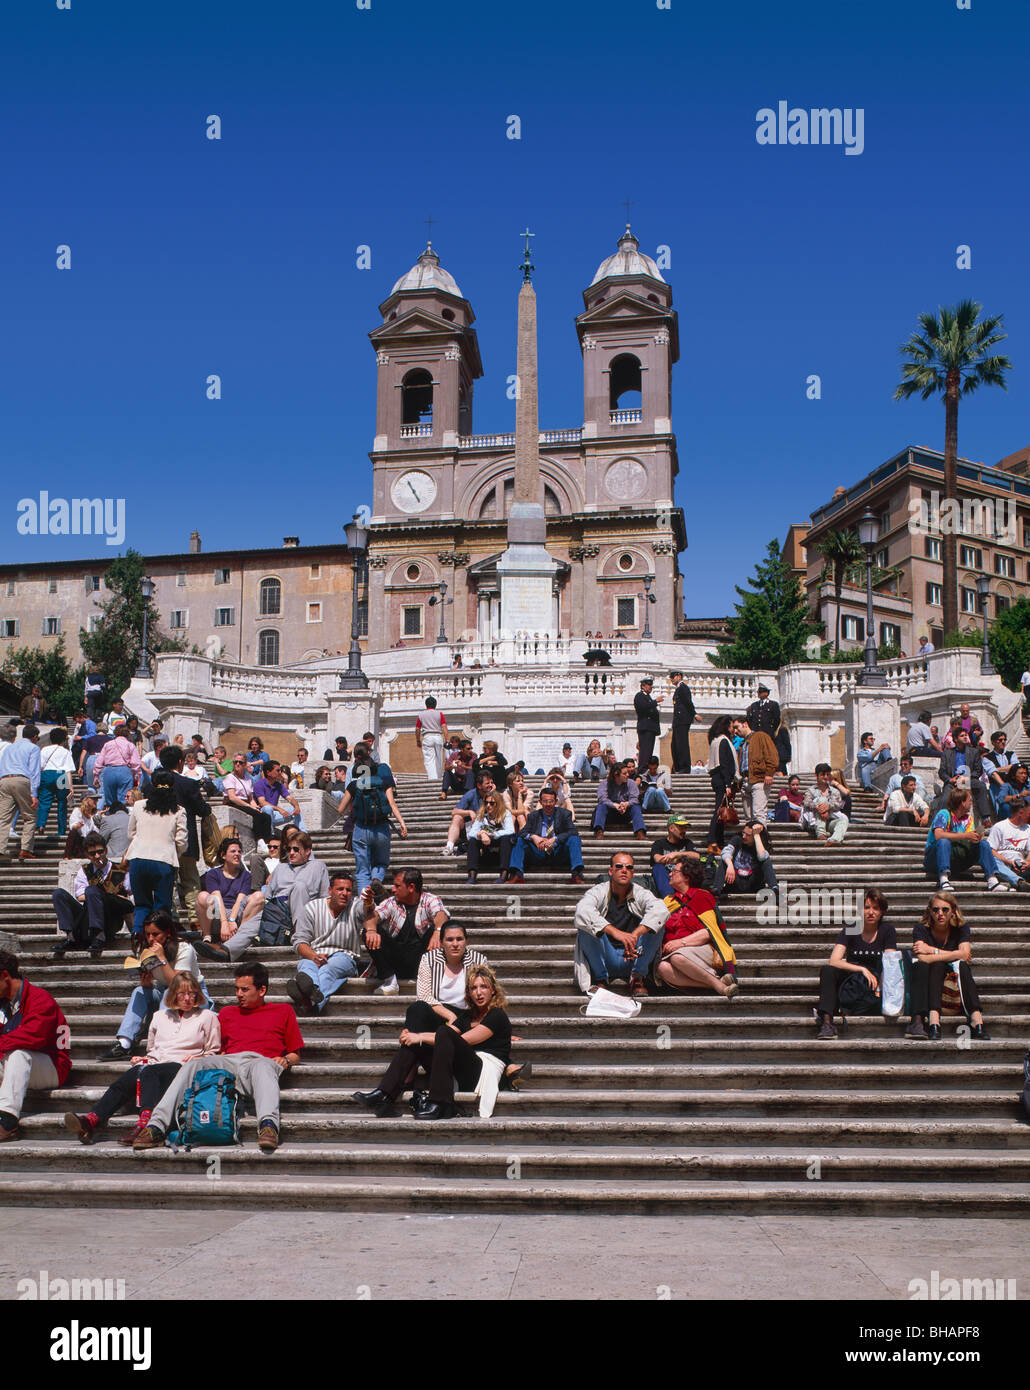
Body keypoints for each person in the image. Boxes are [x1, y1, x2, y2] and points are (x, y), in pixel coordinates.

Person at [133, 961, 304, 1153]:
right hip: (228, 1062)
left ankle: (268, 1126)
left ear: (262, 990)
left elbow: (295, 1054)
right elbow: (215, 1049)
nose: (239, 994)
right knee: (192, 1065)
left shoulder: (283, 1011)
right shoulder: (227, 1012)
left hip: (259, 1062)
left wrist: (286, 1060)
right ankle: (156, 1127)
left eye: (245, 990)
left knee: (264, 1066)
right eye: (237, 989)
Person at [351, 922, 490, 1116]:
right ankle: (393, 1087)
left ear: (466, 941)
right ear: (441, 942)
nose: (455, 944)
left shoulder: (478, 960)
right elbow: (424, 996)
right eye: (449, 939)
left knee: (416, 1030)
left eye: (459, 939)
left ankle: (389, 1091)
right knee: (417, 1009)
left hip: (465, 1019)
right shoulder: (429, 959)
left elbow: (487, 992)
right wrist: (449, 1015)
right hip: (438, 1012)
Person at [67, 972, 219, 1146]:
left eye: (191, 993)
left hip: (183, 1066)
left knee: (149, 1073)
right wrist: (144, 1058)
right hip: (157, 1064)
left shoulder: (207, 1017)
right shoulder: (160, 1016)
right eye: (182, 993)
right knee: (127, 1078)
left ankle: (145, 1125)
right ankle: (91, 1120)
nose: (187, 998)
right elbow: (154, 1049)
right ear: (173, 995)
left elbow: (213, 1052)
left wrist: (198, 1057)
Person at [355, 963, 511, 1121]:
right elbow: (447, 1038)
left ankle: (440, 1102)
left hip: (481, 1072)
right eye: (473, 988)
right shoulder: (467, 1017)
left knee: (442, 1032)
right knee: (419, 1033)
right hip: (460, 1073)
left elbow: (461, 1040)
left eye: (483, 987)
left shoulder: (497, 1016)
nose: (478, 992)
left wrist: (420, 1036)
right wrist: (413, 1036)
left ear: (493, 990)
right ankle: (386, 1094)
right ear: (468, 993)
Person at [199, 831, 328, 962]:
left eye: (296, 849)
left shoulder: (318, 867)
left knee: (299, 887)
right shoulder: (281, 868)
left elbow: (325, 899)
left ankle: (299, 936)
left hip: (302, 912)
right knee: (253, 922)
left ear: (307, 851)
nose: (291, 853)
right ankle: (226, 950)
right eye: (289, 849)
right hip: (277, 910)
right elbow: (268, 895)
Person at [101, 910, 210, 1061]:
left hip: (191, 994)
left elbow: (180, 984)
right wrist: (146, 984)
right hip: (163, 992)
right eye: (147, 934)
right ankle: (124, 1043)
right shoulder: (146, 949)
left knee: (169, 993)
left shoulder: (184, 948)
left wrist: (161, 958)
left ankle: (161, 1044)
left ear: (167, 933)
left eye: (155, 934)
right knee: (139, 991)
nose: (151, 939)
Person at [573, 852, 668, 997]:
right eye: (619, 866)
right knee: (584, 925)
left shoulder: (641, 892)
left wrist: (636, 934)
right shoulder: (599, 891)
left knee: (657, 923)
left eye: (629, 867)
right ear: (611, 871)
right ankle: (601, 979)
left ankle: (637, 977)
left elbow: (660, 910)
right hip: (605, 956)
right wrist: (616, 933)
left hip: (635, 957)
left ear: (633, 873)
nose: (624, 870)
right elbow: (582, 910)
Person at [0, 948, 71, 1141]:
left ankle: (7, 1121)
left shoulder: (40, 999)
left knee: (18, 1053)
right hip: (15, 1065)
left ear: (5, 976)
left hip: (53, 1066)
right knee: (13, 1054)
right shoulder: (3, 1003)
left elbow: (32, 1038)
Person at [905, 893, 989, 1041]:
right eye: (936, 909)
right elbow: (923, 958)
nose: (940, 914)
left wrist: (933, 950)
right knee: (935, 965)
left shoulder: (961, 928)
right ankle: (934, 1021)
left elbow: (965, 955)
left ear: (953, 911)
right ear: (930, 911)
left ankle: (977, 1020)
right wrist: (955, 953)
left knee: (962, 965)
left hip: (954, 980)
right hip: (931, 978)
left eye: (945, 909)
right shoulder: (921, 928)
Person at [814, 888, 897, 1039]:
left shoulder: (887, 931)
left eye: (875, 908)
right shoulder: (851, 929)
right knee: (827, 970)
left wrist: (879, 983)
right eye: (866, 907)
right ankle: (827, 1023)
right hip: (852, 980)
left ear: (882, 911)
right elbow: (834, 961)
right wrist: (862, 969)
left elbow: (890, 964)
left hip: (875, 983)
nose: (870, 912)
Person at [656, 858, 738, 997]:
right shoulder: (668, 901)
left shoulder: (702, 896)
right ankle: (716, 982)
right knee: (662, 968)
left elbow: (709, 932)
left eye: (674, 871)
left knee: (677, 958)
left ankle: (718, 987)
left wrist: (680, 943)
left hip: (702, 950)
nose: (670, 874)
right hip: (672, 953)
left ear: (686, 877)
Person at [333, 741, 408, 893]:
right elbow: (392, 805)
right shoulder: (383, 782)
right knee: (381, 862)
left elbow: (340, 809)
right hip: (381, 827)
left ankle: (363, 899)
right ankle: (376, 879)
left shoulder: (354, 785)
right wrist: (402, 824)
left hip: (361, 828)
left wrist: (353, 808)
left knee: (362, 868)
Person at [362, 867, 449, 996]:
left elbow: (441, 915)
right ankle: (390, 981)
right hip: (396, 959)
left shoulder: (430, 900)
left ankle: (433, 981)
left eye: (397, 886)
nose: (393, 889)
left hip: (421, 960)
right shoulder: (391, 902)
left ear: (411, 887)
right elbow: (373, 916)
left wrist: (438, 931)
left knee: (443, 930)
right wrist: (371, 930)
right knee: (368, 931)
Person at [288, 870, 365, 1014]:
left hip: (345, 956)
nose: (344, 893)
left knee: (327, 970)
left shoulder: (356, 905)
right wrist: (313, 956)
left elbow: (369, 912)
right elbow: (300, 941)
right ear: (330, 891)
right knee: (305, 967)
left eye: (348, 890)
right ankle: (311, 995)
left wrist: (370, 903)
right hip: (315, 953)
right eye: (340, 889)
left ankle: (309, 1003)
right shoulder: (312, 908)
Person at [125, 770, 188, 934]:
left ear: (152, 785)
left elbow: (130, 834)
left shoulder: (139, 806)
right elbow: (182, 841)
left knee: (142, 904)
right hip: (164, 860)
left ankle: (138, 936)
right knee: (162, 906)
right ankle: (159, 938)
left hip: (138, 858)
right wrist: (175, 854)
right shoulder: (179, 810)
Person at [52, 832, 134, 958]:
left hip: (110, 918)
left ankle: (99, 936)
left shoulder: (121, 871)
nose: (97, 856)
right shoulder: (84, 870)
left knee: (91, 891)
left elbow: (128, 899)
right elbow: (80, 896)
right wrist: (104, 895)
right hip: (89, 916)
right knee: (59, 894)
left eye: (100, 852)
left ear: (106, 851)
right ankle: (71, 937)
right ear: (87, 855)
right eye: (92, 854)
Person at [159, 743, 215, 929]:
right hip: (186, 839)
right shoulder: (187, 783)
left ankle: (173, 918)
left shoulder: (152, 784)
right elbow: (202, 809)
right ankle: (195, 919)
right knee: (191, 881)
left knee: (169, 882)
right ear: (181, 762)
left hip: (162, 840)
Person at [924, 787, 1007, 893]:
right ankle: (944, 879)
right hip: (934, 859)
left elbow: (968, 839)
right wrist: (965, 835)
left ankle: (992, 880)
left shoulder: (968, 819)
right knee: (943, 841)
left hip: (957, 859)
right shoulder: (944, 814)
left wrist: (976, 837)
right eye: (970, 800)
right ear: (963, 803)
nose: (971, 803)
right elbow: (938, 835)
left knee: (983, 844)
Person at [508, 785, 585, 884]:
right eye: (545, 801)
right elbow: (522, 833)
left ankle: (576, 875)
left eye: (551, 801)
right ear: (540, 802)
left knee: (574, 839)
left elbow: (573, 831)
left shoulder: (564, 814)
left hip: (558, 852)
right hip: (538, 852)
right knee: (520, 840)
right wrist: (534, 837)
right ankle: (517, 875)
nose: (548, 804)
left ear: (556, 801)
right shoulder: (533, 816)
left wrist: (555, 839)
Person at [196, 837, 258, 948]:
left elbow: (240, 900)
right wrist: (224, 923)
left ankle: (240, 937)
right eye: (233, 851)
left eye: (239, 851)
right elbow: (217, 898)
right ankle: (207, 936)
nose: (237, 854)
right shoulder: (213, 874)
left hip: (237, 915)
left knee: (259, 896)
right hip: (217, 914)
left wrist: (231, 921)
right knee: (202, 896)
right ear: (223, 855)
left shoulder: (246, 875)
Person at [0, 723, 41, 862]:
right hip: (22, 780)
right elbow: (34, 771)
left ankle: (0, 847)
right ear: (35, 737)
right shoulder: (33, 748)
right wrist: (34, 794)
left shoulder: (9, 748)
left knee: (3, 818)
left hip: (4, 780)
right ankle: (26, 849)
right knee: (30, 816)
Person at [714, 821, 778, 898]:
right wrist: (730, 865)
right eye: (743, 833)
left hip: (753, 882)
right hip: (735, 880)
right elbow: (726, 851)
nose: (744, 836)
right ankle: (716, 891)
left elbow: (762, 857)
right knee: (725, 861)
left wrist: (757, 835)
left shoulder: (759, 844)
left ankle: (775, 889)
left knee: (766, 861)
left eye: (748, 835)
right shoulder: (737, 839)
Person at [220, 752, 273, 845]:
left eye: (240, 762)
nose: (237, 764)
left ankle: (267, 842)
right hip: (234, 803)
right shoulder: (230, 777)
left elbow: (251, 798)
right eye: (235, 762)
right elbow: (232, 797)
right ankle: (259, 841)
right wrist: (249, 806)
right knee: (256, 816)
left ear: (245, 765)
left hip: (245, 803)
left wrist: (255, 806)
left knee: (266, 817)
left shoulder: (248, 780)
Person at [464, 790, 515, 885]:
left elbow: (510, 831)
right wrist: (481, 834)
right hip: (486, 852)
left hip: (501, 852)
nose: (488, 805)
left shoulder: (506, 814)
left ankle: (504, 875)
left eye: (491, 803)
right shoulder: (482, 815)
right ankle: (472, 876)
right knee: (472, 840)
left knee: (506, 839)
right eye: (486, 802)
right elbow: (471, 833)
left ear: (498, 804)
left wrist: (491, 834)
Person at [441, 770, 496, 857]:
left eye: (492, 782)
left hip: (488, 827)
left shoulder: (495, 795)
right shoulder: (471, 794)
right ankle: (449, 846)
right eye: (487, 783)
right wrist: (469, 812)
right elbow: (454, 811)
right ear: (479, 785)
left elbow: (502, 812)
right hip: (470, 827)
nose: (490, 785)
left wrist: (493, 795)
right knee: (457, 817)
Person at [735, 716, 778, 824]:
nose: (735, 731)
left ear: (745, 724)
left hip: (759, 780)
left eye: (737, 727)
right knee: (748, 817)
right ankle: (752, 840)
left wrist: (769, 773)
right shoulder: (743, 743)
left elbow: (772, 755)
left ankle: (761, 839)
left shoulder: (760, 736)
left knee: (758, 814)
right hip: (745, 780)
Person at [706, 714, 739, 847]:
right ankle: (713, 841)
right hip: (722, 778)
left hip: (717, 778)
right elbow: (724, 763)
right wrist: (728, 784)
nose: (733, 729)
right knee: (719, 811)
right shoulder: (723, 741)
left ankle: (718, 841)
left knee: (720, 811)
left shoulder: (715, 740)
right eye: (731, 726)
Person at [36, 727, 75, 839]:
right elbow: (68, 770)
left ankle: (41, 824)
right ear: (63, 740)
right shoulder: (65, 752)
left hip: (47, 775)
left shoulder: (44, 750)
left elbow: (40, 766)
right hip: (61, 776)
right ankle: (61, 830)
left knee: (44, 802)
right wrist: (70, 787)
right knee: (62, 803)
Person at [592, 761, 646, 839]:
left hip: (625, 812)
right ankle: (599, 831)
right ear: (616, 774)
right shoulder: (605, 783)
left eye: (627, 773)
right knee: (601, 806)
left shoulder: (631, 783)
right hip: (610, 813)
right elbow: (602, 799)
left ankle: (640, 832)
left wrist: (626, 804)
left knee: (636, 807)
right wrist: (615, 805)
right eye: (624, 773)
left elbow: (635, 798)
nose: (627, 775)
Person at [986, 797, 1030, 892]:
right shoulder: (999, 827)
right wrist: (1009, 862)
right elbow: (990, 850)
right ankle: (1019, 882)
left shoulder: (1028, 828)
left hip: (1021, 866)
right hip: (1003, 865)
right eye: (1029, 814)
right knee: (991, 860)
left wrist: (1027, 862)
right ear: (1021, 813)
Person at [648, 813, 697, 898]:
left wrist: (676, 854)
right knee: (658, 867)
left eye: (685, 827)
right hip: (665, 879)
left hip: (683, 878)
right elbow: (657, 859)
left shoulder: (687, 843)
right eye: (680, 827)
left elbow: (696, 856)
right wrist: (682, 859)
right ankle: (670, 899)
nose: (684, 830)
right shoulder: (659, 844)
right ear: (671, 828)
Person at [93, 725, 141, 810]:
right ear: (127, 733)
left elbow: (99, 761)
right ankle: (122, 817)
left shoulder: (108, 744)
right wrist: (137, 776)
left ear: (115, 733)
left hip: (109, 771)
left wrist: (96, 775)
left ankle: (111, 815)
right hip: (124, 771)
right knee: (124, 799)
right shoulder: (130, 745)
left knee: (110, 799)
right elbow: (135, 763)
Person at [802, 764, 849, 845]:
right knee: (821, 800)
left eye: (827, 774)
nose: (825, 777)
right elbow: (806, 803)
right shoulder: (810, 790)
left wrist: (828, 807)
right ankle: (820, 833)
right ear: (816, 775)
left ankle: (834, 840)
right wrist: (819, 807)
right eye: (822, 774)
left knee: (844, 820)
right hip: (815, 822)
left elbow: (838, 804)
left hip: (829, 820)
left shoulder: (834, 791)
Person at [253, 760, 305, 833]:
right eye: (277, 770)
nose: (280, 773)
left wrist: (296, 806)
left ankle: (303, 834)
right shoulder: (259, 784)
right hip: (262, 816)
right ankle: (271, 835)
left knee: (295, 810)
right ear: (268, 773)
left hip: (274, 815)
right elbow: (262, 803)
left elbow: (290, 798)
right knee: (268, 808)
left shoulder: (279, 785)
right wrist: (280, 809)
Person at [981, 731, 1021, 818]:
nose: (1003, 742)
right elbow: (993, 774)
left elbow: (1016, 768)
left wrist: (997, 769)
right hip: (997, 787)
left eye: (1004, 739)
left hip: (1013, 785)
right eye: (1000, 740)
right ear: (993, 742)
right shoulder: (987, 758)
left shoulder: (1011, 754)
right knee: (1002, 810)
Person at [669, 671, 699, 773]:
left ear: (679, 676)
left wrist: (694, 714)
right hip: (677, 721)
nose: (671, 679)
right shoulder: (678, 689)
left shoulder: (683, 688)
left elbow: (688, 702)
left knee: (682, 744)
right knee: (675, 745)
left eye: (673, 677)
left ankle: (685, 767)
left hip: (683, 720)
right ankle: (678, 767)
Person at [633, 676, 663, 773]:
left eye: (651, 685)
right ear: (643, 685)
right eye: (649, 685)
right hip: (646, 728)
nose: (651, 687)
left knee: (648, 750)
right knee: (645, 751)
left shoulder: (647, 697)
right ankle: (643, 769)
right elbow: (643, 707)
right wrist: (655, 702)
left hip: (650, 728)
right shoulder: (640, 696)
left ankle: (645, 768)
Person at [415, 696, 447, 782]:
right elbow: (444, 727)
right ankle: (439, 777)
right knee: (439, 759)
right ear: (435, 705)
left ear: (426, 705)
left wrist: (418, 740)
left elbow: (417, 728)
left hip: (427, 737)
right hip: (438, 737)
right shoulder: (439, 714)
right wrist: (446, 739)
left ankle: (432, 779)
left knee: (429, 759)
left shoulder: (421, 715)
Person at [503, 767, 536, 832]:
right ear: (510, 784)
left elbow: (523, 811)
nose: (521, 783)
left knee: (520, 817)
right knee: (511, 817)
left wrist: (520, 794)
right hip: (513, 818)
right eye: (518, 781)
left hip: (526, 820)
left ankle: (522, 839)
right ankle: (511, 838)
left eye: (522, 781)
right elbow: (509, 812)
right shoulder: (506, 793)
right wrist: (522, 811)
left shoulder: (529, 793)